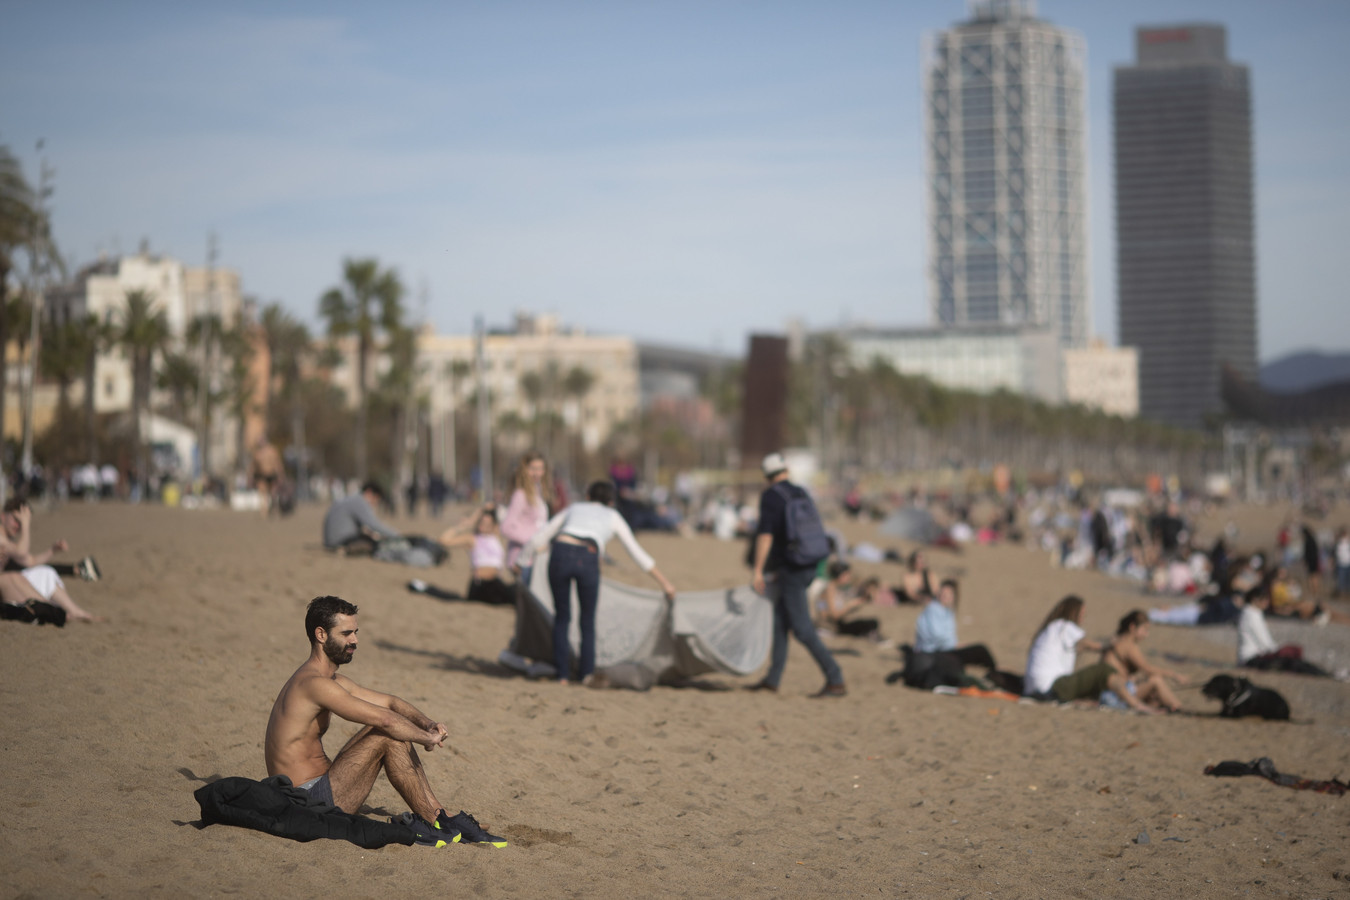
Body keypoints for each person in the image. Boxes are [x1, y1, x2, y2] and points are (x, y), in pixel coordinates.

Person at [264, 595, 507, 847]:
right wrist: (427, 739)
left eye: (356, 632)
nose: (355, 640)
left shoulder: (331, 680)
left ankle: (439, 816)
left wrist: (426, 723)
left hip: (322, 787)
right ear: (321, 635)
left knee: (390, 728)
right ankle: (435, 818)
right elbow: (385, 719)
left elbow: (390, 703)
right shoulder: (315, 684)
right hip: (306, 802)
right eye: (346, 633)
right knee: (386, 732)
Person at [520, 480, 676, 685]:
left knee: (561, 617)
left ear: (587, 497)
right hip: (588, 555)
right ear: (611, 502)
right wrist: (665, 583)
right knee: (587, 620)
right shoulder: (613, 516)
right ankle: (586, 674)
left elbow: (540, 537)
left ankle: (563, 675)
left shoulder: (574, 508)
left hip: (560, 552)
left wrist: (520, 562)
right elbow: (636, 553)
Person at [748, 453, 846, 698]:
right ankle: (773, 678)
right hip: (812, 562)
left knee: (802, 628)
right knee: (781, 621)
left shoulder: (771, 496)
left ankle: (835, 678)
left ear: (766, 476)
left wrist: (758, 570)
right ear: (786, 470)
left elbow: (765, 535)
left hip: (792, 567)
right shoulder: (801, 492)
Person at [1023, 596, 1155, 712]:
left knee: (1092, 678)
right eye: (1081, 613)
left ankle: (1131, 699)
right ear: (1073, 612)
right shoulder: (1065, 626)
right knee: (1103, 670)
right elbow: (1089, 644)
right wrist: (1112, 643)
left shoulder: (1053, 628)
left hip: (1033, 687)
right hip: (1051, 687)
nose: (1083, 617)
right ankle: (1135, 704)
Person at [1099, 610, 1185, 712]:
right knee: (1156, 681)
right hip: (1116, 693)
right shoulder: (1128, 644)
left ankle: (1173, 707)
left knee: (1154, 697)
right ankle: (1178, 707)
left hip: (1112, 690)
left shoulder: (1118, 640)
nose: (1146, 634)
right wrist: (1174, 674)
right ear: (1132, 627)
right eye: (1144, 629)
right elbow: (1147, 669)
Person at [432, 503, 515, 605]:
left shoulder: (495, 536)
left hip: (495, 582)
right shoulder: (472, 539)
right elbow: (443, 540)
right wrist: (464, 525)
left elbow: (492, 506)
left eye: (487, 523)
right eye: (481, 522)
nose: (483, 525)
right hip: (480, 584)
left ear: (494, 525)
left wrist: (486, 509)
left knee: (515, 591)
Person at [0, 498, 100, 582]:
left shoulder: (9, 543)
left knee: (38, 570)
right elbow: (21, 552)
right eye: (16, 520)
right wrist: (26, 524)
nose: (18, 526)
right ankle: (77, 569)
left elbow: (31, 562)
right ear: (3, 516)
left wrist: (52, 550)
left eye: (21, 523)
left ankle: (77, 569)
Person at [1236, 589, 1331, 676]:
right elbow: (1263, 642)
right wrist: (1279, 652)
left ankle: (1325, 673)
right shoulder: (1250, 615)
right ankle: (1324, 674)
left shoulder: (1254, 612)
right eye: (1264, 599)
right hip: (1250, 659)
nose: (1267, 603)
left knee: (1293, 659)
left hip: (1258, 656)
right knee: (1291, 662)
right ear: (1255, 599)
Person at [913, 579, 997, 671]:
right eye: (942, 592)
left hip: (943, 650)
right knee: (980, 650)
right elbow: (936, 636)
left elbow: (949, 638)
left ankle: (994, 670)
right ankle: (995, 670)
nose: (944, 596)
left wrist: (956, 644)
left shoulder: (947, 611)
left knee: (979, 651)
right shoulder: (933, 609)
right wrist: (954, 645)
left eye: (948, 593)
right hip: (932, 653)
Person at [500, 453, 554, 577]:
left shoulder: (538, 493)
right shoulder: (520, 495)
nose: (537, 473)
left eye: (540, 469)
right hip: (522, 560)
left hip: (536, 559)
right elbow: (506, 527)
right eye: (533, 469)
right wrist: (534, 543)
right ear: (524, 470)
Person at [322, 482, 400, 555]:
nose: (375, 504)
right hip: (341, 540)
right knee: (375, 544)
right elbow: (374, 524)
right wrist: (396, 535)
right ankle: (345, 548)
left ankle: (345, 547)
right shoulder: (359, 501)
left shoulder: (350, 498)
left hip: (330, 541)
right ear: (369, 492)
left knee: (369, 538)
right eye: (376, 499)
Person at [810, 561, 881, 639]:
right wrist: (850, 605)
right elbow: (833, 615)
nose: (849, 577)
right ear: (841, 575)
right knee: (871, 623)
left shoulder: (834, 588)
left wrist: (859, 602)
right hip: (829, 627)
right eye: (847, 575)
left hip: (835, 625)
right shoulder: (829, 590)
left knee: (871, 623)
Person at [249, 438, 285, 517]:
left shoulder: (272, 451)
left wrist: (280, 475)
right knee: (262, 493)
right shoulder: (257, 453)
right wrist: (251, 476)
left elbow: (277, 462)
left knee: (273, 493)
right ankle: (264, 511)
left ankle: (274, 508)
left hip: (272, 474)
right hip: (262, 475)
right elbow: (253, 466)